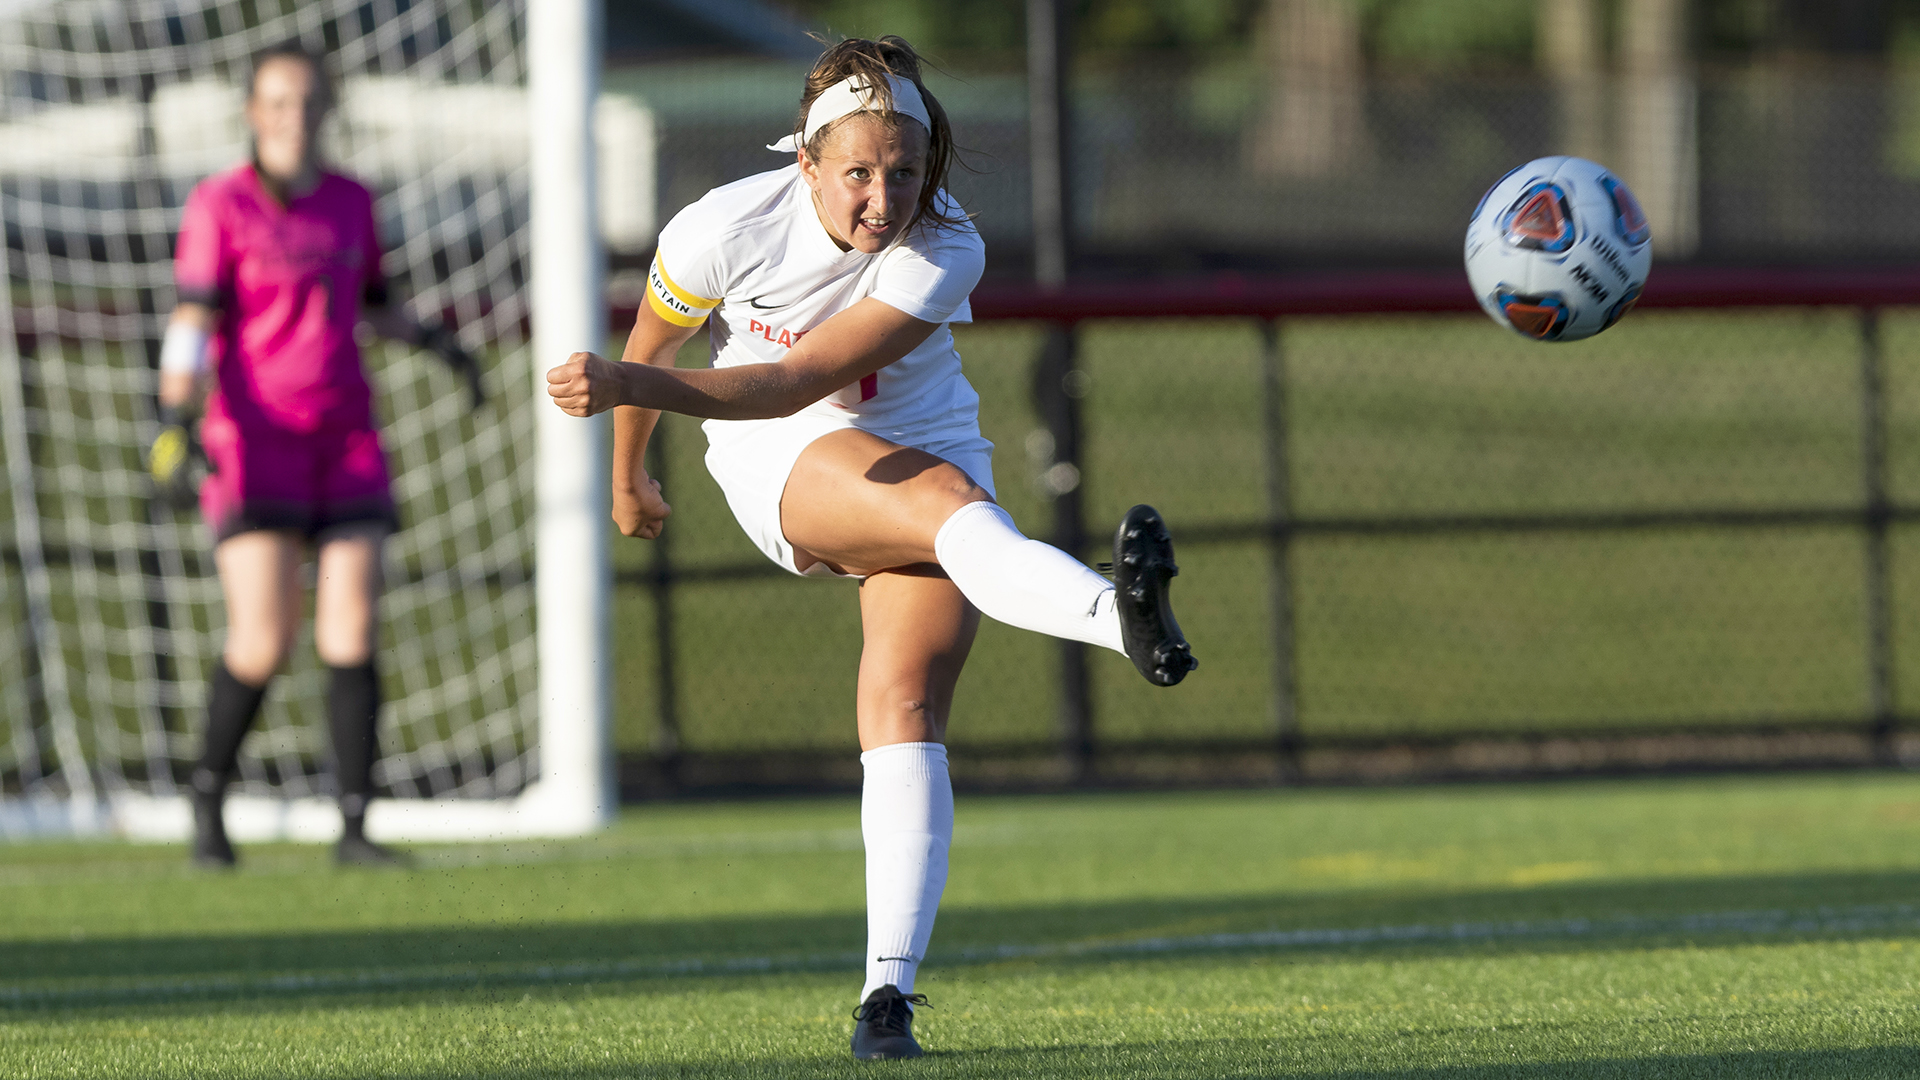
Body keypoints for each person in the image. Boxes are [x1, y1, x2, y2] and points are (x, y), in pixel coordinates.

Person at [544, 36, 1196, 1061]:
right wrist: (630, 470)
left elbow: (798, 374)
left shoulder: (950, 245)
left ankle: (884, 998)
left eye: (903, 173)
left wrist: (631, 396)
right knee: (943, 504)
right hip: (776, 456)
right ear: (806, 163)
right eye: (857, 173)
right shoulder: (723, 225)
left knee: (904, 708)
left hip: (908, 434)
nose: (881, 199)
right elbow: (659, 351)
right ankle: (1120, 620)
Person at [150, 40, 483, 869]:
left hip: (347, 437)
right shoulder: (219, 204)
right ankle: (208, 807)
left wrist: (444, 349)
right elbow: (193, 320)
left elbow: (376, 304)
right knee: (263, 638)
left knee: (352, 625)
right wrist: (173, 419)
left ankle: (355, 825)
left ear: (326, 109)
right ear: (253, 114)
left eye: (307, 102)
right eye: (277, 103)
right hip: (253, 443)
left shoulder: (349, 202)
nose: (293, 117)